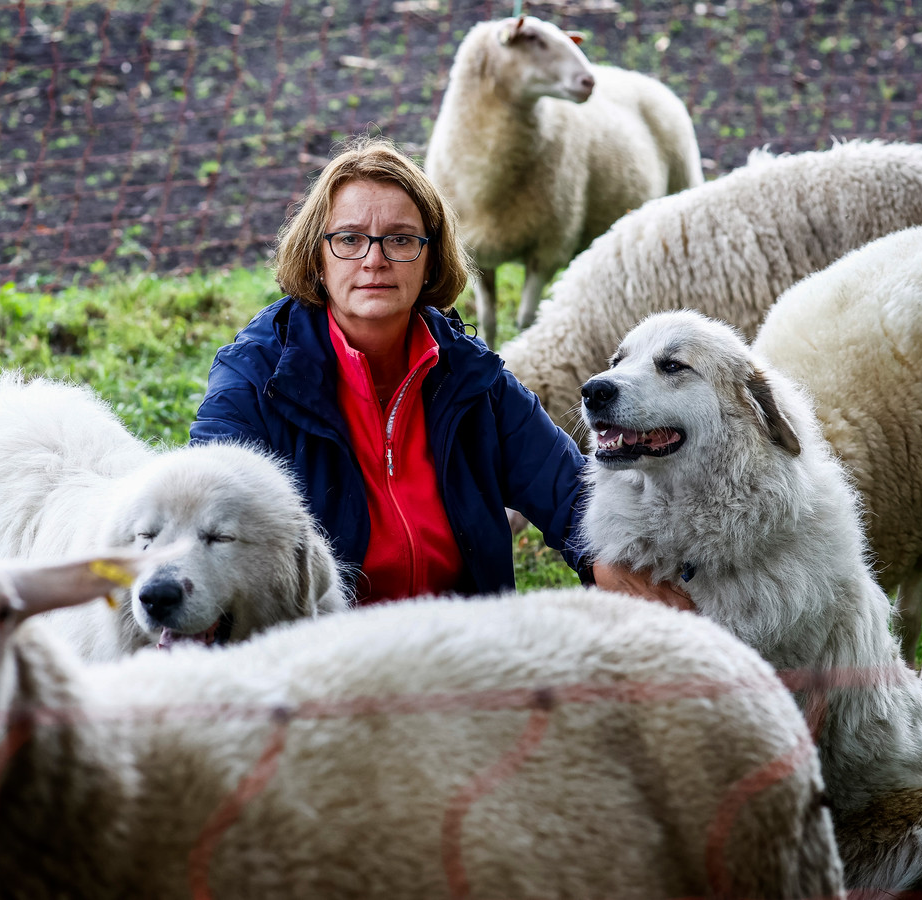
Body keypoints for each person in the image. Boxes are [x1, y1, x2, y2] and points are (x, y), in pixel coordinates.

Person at [191, 135, 687, 608]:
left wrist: (605, 558)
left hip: (456, 646)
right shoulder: (257, 377)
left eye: (402, 240)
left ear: (430, 261)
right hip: (321, 654)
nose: (375, 259)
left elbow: (566, 489)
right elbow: (205, 519)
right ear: (318, 257)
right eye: (348, 239)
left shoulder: (471, 376)